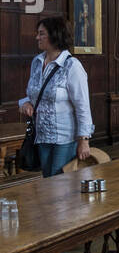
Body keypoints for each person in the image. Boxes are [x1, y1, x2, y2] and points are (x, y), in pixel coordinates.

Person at [19, 16, 94, 177]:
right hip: (41, 136)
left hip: (65, 138)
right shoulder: (37, 62)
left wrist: (84, 140)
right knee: (48, 181)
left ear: (55, 35)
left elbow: (83, 106)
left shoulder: (72, 66)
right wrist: (26, 104)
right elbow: (31, 94)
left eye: (41, 34)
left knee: (59, 185)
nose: (37, 37)